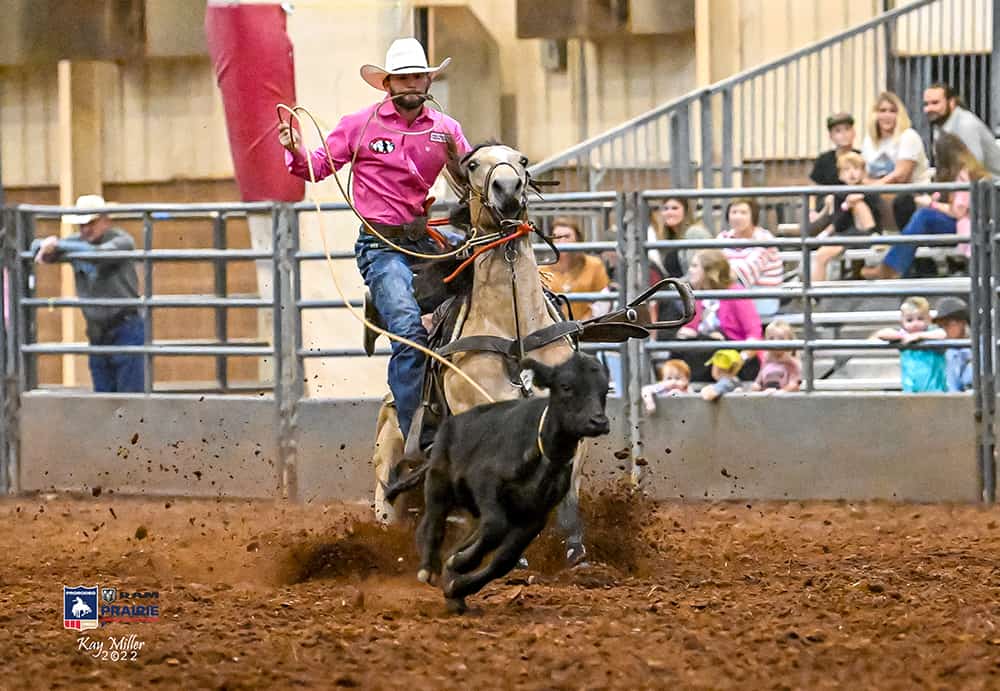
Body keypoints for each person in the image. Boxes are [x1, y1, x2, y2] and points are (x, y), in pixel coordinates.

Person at [278, 37, 470, 439]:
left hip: (423, 241)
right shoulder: (360, 125)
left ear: (428, 81)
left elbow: (470, 177)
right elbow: (315, 168)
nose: (412, 84)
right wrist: (297, 151)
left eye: (418, 76)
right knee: (411, 332)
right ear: (389, 85)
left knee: (469, 316)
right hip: (381, 246)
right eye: (403, 78)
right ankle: (417, 436)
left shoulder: (445, 130)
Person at [33, 194, 145, 393]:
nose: (86, 229)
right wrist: (49, 245)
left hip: (125, 327)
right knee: (103, 399)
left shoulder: (122, 241)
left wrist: (57, 246)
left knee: (131, 400)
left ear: (106, 220)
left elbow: (98, 254)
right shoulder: (76, 243)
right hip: (97, 332)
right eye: (82, 225)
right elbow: (36, 247)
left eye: (91, 222)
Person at [863, 132, 990, 280]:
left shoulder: (964, 174)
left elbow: (958, 211)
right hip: (964, 222)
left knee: (923, 216)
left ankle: (891, 268)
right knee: (911, 209)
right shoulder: (959, 171)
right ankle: (903, 268)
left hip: (967, 225)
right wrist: (932, 199)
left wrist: (931, 203)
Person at [678, 250, 762, 382]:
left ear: (709, 271)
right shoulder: (697, 296)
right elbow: (690, 329)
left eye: (694, 266)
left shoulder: (735, 293)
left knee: (709, 346)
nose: (690, 270)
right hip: (703, 353)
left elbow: (754, 335)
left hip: (732, 354)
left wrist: (741, 359)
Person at [861, 91, 930, 229]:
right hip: (879, 194)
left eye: (892, 111)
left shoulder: (909, 136)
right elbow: (862, 176)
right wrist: (869, 186)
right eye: (882, 111)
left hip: (910, 195)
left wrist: (873, 186)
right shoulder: (869, 140)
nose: (887, 115)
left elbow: (901, 176)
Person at [809, 151, 881, 280]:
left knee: (858, 202)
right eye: (846, 170)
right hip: (847, 235)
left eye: (856, 168)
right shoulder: (839, 194)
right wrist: (846, 205)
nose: (852, 173)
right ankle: (815, 296)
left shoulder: (870, 192)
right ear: (841, 175)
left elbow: (876, 217)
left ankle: (873, 240)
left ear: (863, 172)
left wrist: (856, 201)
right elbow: (839, 224)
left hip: (867, 233)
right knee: (821, 256)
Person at [717, 198, 783, 316]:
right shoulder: (723, 237)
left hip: (761, 298)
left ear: (753, 216)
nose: (738, 217)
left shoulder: (764, 238)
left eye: (743, 213)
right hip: (729, 294)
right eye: (734, 212)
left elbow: (744, 274)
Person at [924, 82, 1000, 177]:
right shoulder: (940, 124)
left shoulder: (966, 124)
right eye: (926, 104)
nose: (928, 109)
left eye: (935, 103)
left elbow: (972, 168)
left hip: (992, 187)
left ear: (951, 103)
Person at [872, 296, 946, 393]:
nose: (915, 324)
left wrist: (919, 336)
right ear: (902, 322)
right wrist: (901, 336)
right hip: (910, 390)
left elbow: (943, 334)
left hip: (935, 390)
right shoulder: (904, 335)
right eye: (909, 320)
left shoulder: (931, 332)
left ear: (929, 319)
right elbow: (881, 334)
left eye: (920, 319)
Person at [546, 217, 611, 321]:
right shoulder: (542, 270)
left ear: (577, 239)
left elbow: (603, 301)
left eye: (567, 237)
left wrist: (586, 323)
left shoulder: (594, 265)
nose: (562, 242)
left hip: (588, 329)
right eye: (557, 237)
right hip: (553, 331)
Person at [809, 112, 861, 211]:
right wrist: (811, 211)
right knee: (831, 199)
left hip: (854, 203)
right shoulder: (823, 159)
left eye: (847, 129)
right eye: (838, 131)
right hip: (827, 206)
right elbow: (813, 190)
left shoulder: (861, 157)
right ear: (831, 136)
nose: (844, 134)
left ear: (854, 133)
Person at [932, 296, 972, 392]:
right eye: (941, 326)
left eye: (947, 324)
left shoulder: (982, 344)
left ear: (962, 322)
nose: (944, 330)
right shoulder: (947, 350)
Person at [751, 320, 802, 393]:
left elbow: (794, 384)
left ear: (790, 341)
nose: (775, 342)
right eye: (771, 338)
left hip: (786, 399)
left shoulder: (791, 363)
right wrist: (756, 387)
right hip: (768, 398)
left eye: (781, 339)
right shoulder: (766, 361)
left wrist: (781, 392)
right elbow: (758, 381)